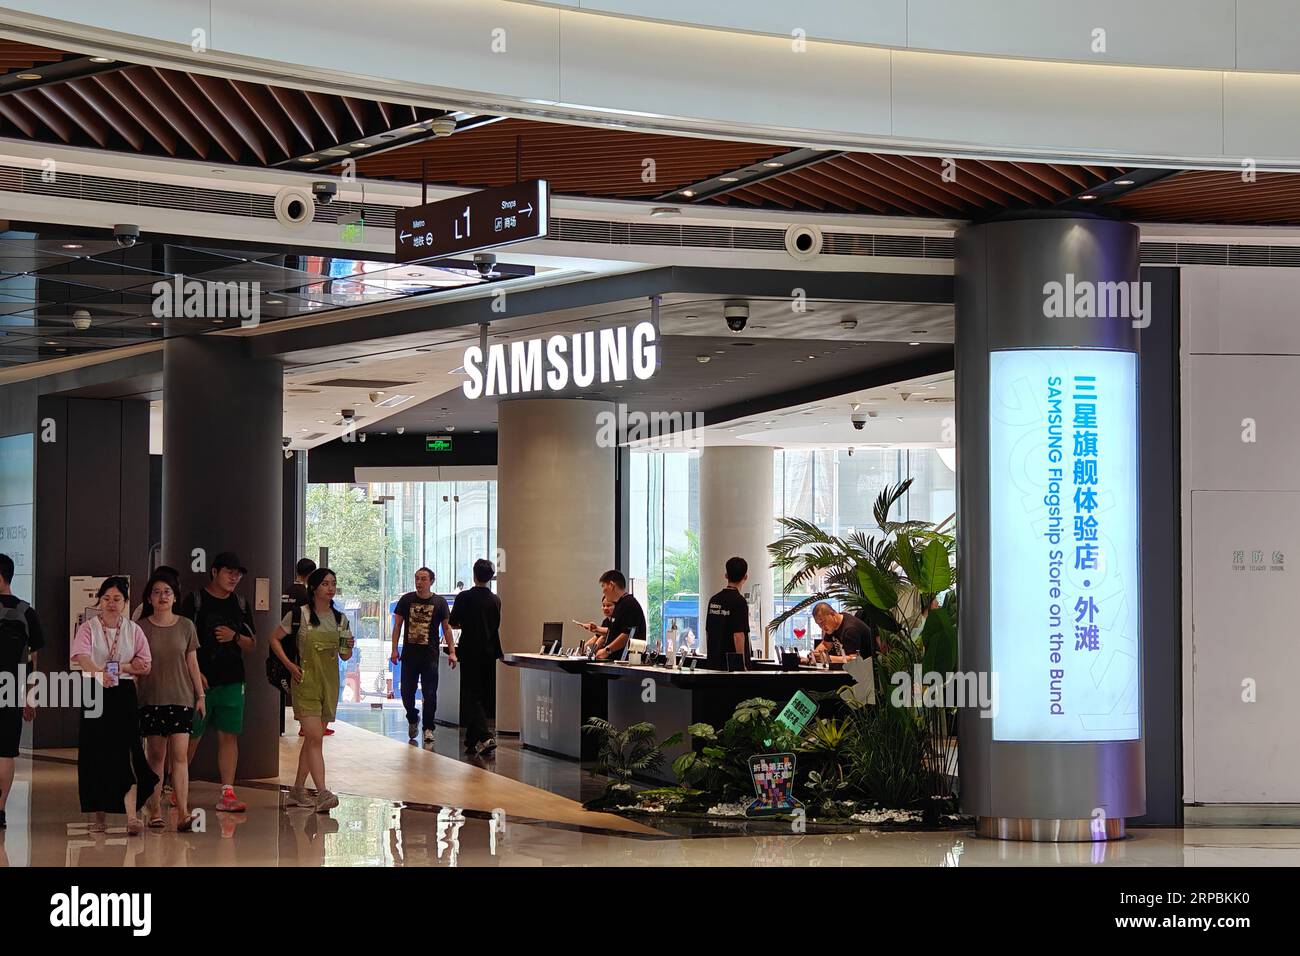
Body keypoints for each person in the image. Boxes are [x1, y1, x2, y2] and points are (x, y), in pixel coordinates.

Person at [71, 576, 159, 835]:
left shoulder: (133, 630)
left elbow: (145, 665)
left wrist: (123, 668)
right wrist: (100, 674)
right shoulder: (88, 628)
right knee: (95, 752)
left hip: (123, 693)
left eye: (117, 599)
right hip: (94, 692)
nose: (111, 603)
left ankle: (132, 816)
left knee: (128, 751)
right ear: (99, 600)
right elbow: (83, 658)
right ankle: (99, 817)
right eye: (107, 598)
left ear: (125, 602)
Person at [179, 551, 256, 813]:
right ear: (214, 571)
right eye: (229, 571)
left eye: (238, 573)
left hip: (233, 680)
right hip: (200, 682)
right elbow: (181, 641)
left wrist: (234, 637)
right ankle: (175, 787)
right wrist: (194, 673)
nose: (234, 577)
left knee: (229, 736)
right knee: (190, 736)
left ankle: (227, 792)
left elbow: (252, 643)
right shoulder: (195, 601)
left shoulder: (241, 603)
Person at [270, 567, 351, 812]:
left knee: (313, 739)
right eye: (326, 583)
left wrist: (348, 645)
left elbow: (345, 655)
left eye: (333, 583)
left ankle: (297, 789)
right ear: (314, 587)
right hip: (305, 682)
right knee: (315, 737)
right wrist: (289, 664)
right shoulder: (300, 615)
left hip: (329, 683)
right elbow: (274, 639)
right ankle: (323, 792)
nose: (331, 587)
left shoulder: (340, 619)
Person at [136, 570, 205, 832]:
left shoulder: (186, 626)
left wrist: (200, 695)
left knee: (179, 756)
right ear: (149, 598)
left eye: (167, 592)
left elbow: (192, 663)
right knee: (155, 756)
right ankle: (154, 810)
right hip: (151, 698)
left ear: (175, 597)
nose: (162, 596)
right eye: (157, 592)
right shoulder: (140, 627)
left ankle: (184, 812)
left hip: (181, 698)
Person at [0, 553, 42, 831]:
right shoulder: (27, 612)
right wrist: (31, 695)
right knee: (5, 752)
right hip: (12, 690)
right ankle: (0, 809)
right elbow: (33, 659)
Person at [390, 567, 455, 744]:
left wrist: (452, 652)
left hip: (430, 655)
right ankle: (412, 717)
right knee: (406, 693)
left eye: (423, 579)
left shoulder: (439, 603)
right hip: (410, 655)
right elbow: (397, 627)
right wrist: (394, 649)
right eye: (417, 578)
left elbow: (446, 628)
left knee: (430, 693)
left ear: (431, 581)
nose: (419, 582)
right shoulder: (406, 600)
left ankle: (428, 728)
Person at [449, 559, 502, 756]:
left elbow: (453, 622)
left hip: (470, 650)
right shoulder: (496, 600)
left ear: (474, 574)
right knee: (482, 694)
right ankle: (471, 739)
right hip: (490, 651)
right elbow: (496, 624)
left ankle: (486, 736)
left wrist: (467, 624)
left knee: (471, 694)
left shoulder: (464, 597)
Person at [705, 557, 751, 670]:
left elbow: (708, 632)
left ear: (726, 575)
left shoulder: (713, 600)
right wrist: (742, 665)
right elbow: (738, 635)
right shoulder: (740, 602)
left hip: (713, 663)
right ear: (745, 577)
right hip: (730, 667)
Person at [591, 570, 646, 662]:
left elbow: (626, 634)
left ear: (611, 585)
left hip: (626, 661)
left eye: (603, 586)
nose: (603, 591)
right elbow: (612, 632)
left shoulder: (629, 604)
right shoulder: (619, 605)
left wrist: (607, 650)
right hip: (614, 659)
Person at [808, 602, 875, 663]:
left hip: (868, 669)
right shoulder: (832, 625)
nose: (822, 627)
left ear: (832, 614)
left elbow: (854, 659)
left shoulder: (850, 630)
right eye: (819, 624)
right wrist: (814, 656)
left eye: (823, 621)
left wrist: (828, 658)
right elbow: (825, 644)